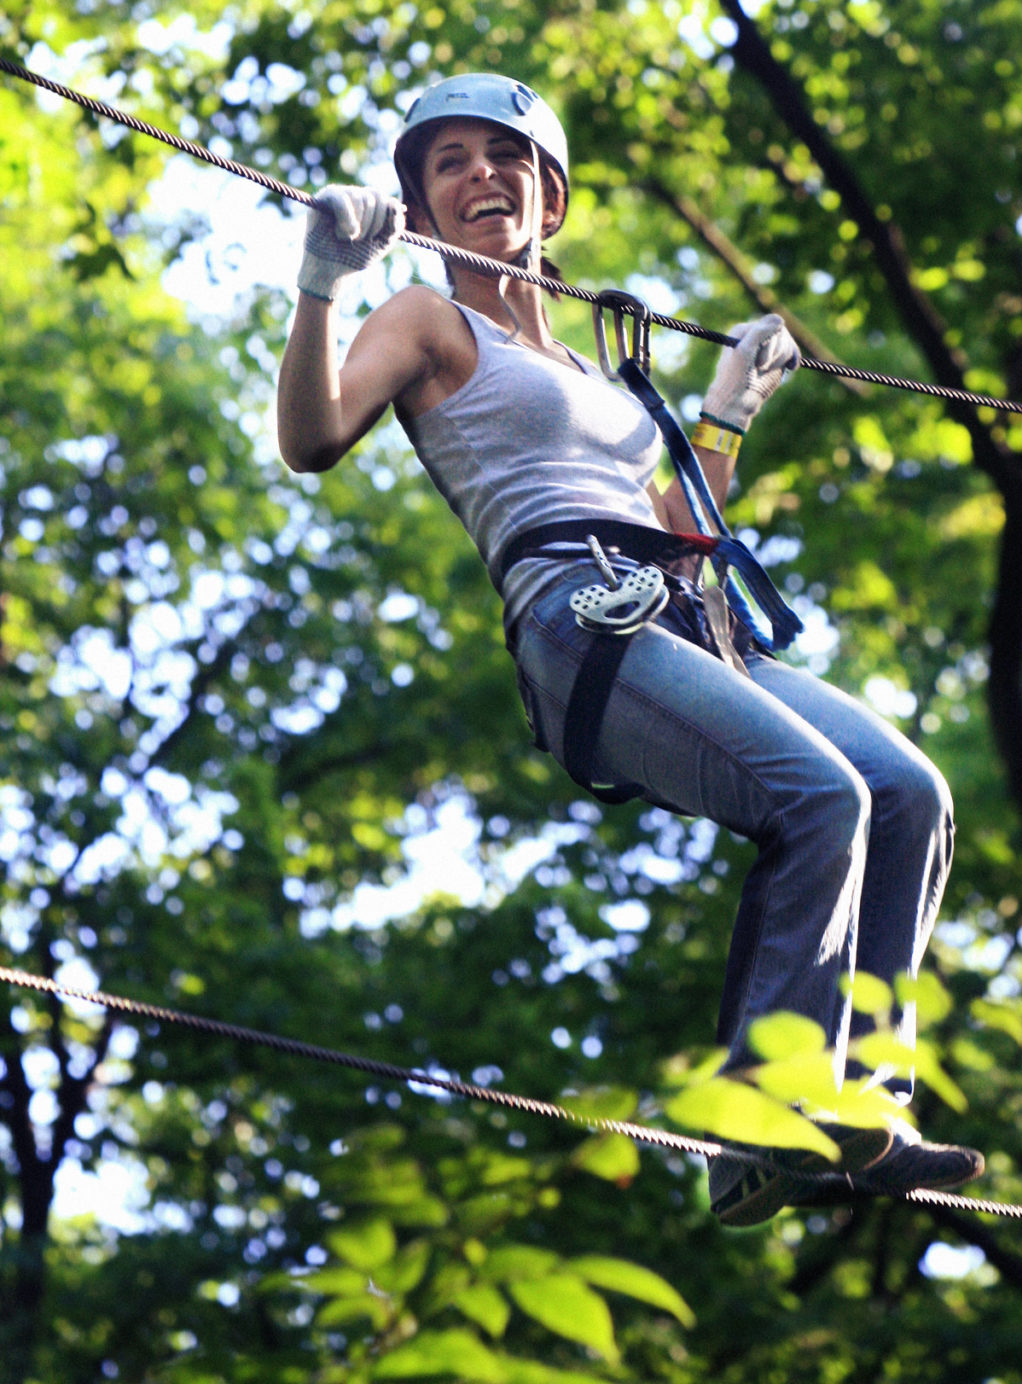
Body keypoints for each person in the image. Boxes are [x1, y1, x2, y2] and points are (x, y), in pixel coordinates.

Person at [275, 72, 983, 1225]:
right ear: (421, 201)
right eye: (447, 161)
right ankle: (762, 1118)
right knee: (822, 796)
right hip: (576, 614)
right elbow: (311, 438)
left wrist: (725, 414)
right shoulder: (421, 318)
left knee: (909, 789)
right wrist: (321, 284)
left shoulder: (600, 369)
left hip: (679, 606)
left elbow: (682, 533)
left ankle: (861, 1095)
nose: (478, 176)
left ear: (549, 196)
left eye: (504, 157)